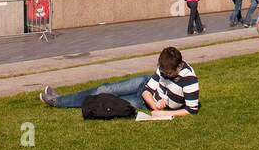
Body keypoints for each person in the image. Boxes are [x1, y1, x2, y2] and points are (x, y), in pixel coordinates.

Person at [40, 46, 199, 116]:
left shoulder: (189, 79)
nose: (164, 74)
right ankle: (57, 100)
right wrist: (155, 106)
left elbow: (191, 110)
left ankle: (58, 101)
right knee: (104, 89)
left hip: (142, 102)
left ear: (177, 67)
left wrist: (162, 113)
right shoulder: (165, 65)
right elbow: (146, 90)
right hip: (143, 87)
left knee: (106, 101)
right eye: (162, 70)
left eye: (167, 73)